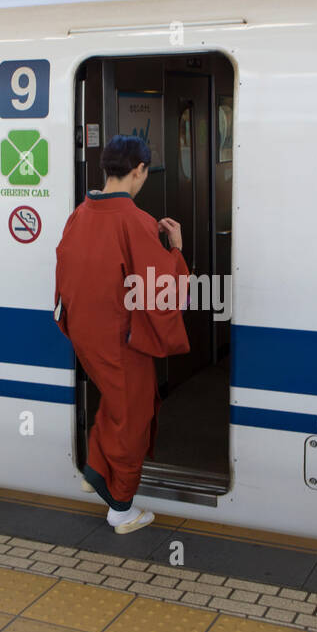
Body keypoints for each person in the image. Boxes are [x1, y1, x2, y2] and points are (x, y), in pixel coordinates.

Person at [54, 134, 190, 534]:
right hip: (123, 341)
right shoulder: (137, 222)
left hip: (87, 336)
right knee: (133, 414)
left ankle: (96, 471)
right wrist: (176, 251)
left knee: (114, 404)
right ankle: (122, 507)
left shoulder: (81, 213)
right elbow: (161, 293)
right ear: (140, 170)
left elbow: (65, 270)